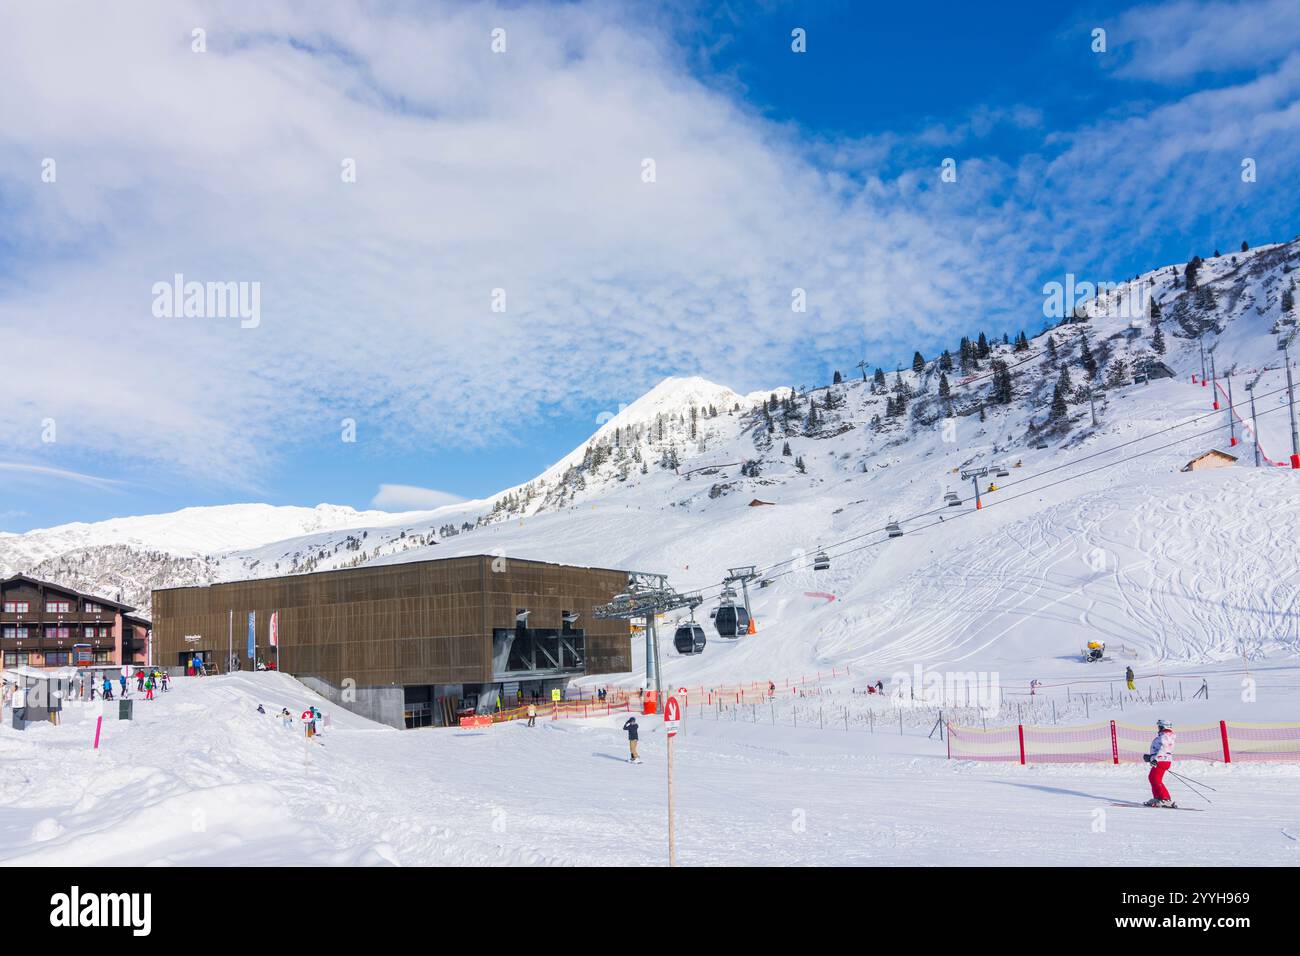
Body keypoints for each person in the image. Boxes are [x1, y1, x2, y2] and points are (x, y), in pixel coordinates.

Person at [1142, 719, 1176, 807]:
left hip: (1161, 761)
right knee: (1153, 778)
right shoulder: (1167, 736)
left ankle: (1165, 799)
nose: (1158, 728)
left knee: (1156, 779)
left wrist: (1155, 759)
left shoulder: (1165, 736)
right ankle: (1158, 798)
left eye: (1159, 727)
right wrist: (1151, 757)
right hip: (1162, 760)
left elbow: (1164, 749)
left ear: (1163, 727)